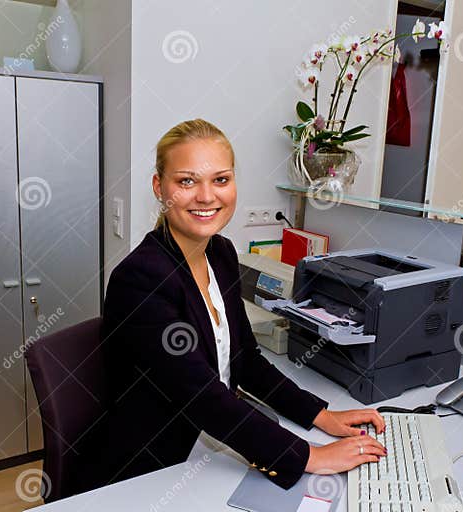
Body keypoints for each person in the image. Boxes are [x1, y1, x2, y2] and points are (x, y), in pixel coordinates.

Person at [99, 119, 387, 490]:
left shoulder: (219, 253)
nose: (206, 196)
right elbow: (201, 396)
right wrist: (309, 456)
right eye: (187, 181)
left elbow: (245, 360)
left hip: (207, 440)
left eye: (220, 180)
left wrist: (320, 415)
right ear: (160, 187)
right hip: (153, 467)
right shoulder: (140, 279)